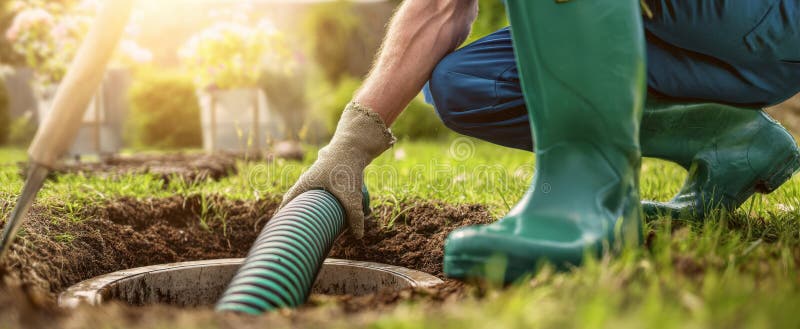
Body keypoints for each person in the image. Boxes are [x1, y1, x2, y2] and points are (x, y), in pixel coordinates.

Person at [281, 0, 800, 283]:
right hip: (686, 47)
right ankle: (725, 139)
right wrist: (348, 146)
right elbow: (441, 6)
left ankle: (586, 198)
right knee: (464, 85)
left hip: (765, 17)